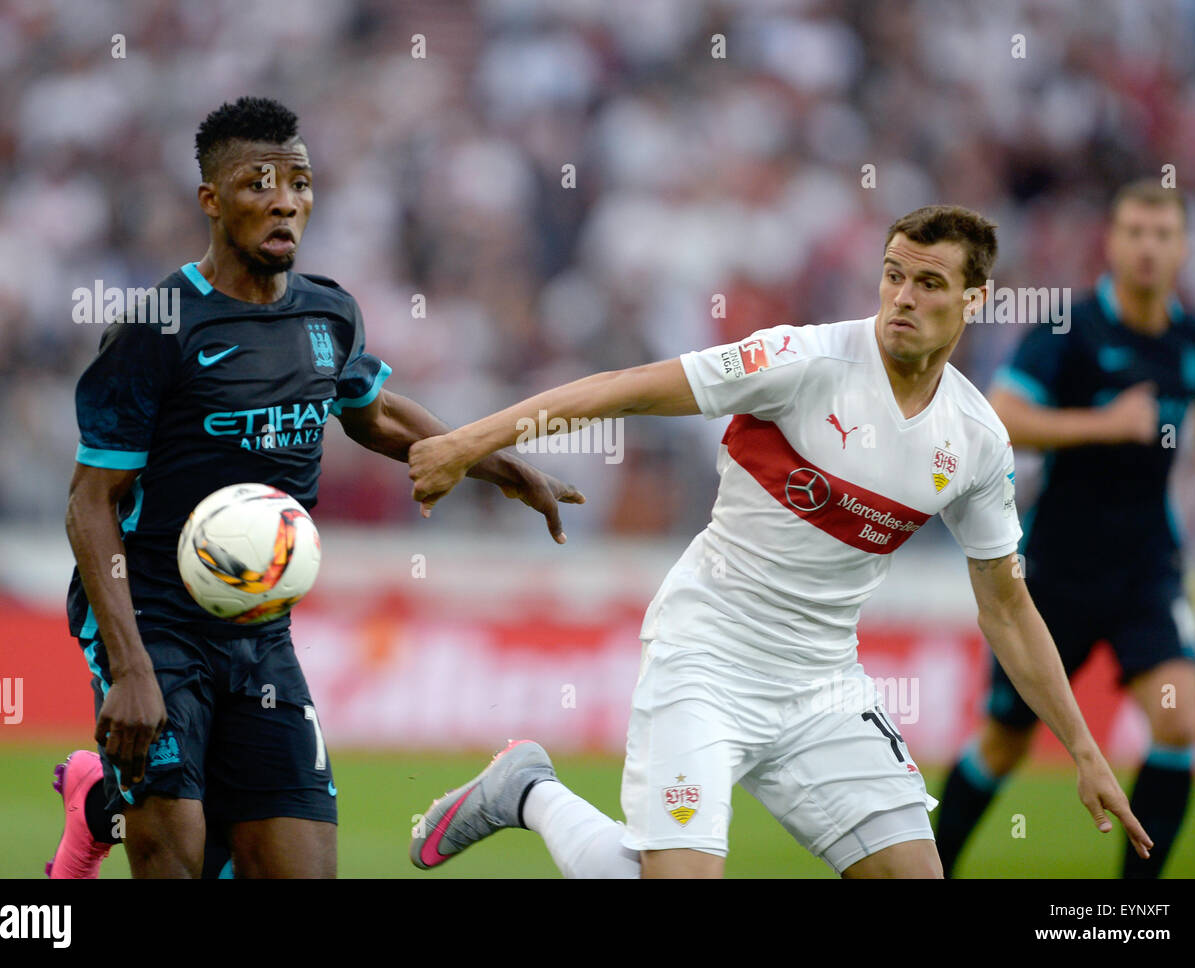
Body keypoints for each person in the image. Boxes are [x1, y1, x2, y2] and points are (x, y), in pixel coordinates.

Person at [405, 205, 1152, 878]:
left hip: (823, 683)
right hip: (706, 654)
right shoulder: (803, 361)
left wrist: (1085, 750)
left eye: (928, 283)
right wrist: (468, 443)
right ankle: (530, 791)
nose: (902, 297)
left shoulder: (979, 441)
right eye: (893, 275)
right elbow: (624, 387)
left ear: (974, 299)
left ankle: (523, 787)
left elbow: (1007, 608)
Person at [46, 96, 581, 879]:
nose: (285, 200)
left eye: (298, 181)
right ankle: (113, 808)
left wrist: (498, 465)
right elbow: (90, 502)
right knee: (176, 858)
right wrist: (130, 670)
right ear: (211, 200)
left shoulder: (328, 314)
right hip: (157, 618)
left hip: (260, 628)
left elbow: (376, 416)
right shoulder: (161, 327)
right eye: (258, 183)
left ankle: (101, 801)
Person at [936, 180, 1195, 878]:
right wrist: (1106, 424)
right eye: (1134, 232)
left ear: (1182, 247)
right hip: (1055, 569)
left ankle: (1134, 911)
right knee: (1003, 743)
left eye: (1162, 234)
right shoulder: (1069, 329)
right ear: (1112, 242)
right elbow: (1000, 416)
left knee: (1179, 722)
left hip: (1149, 567)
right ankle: (931, 868)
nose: (1147, 247)